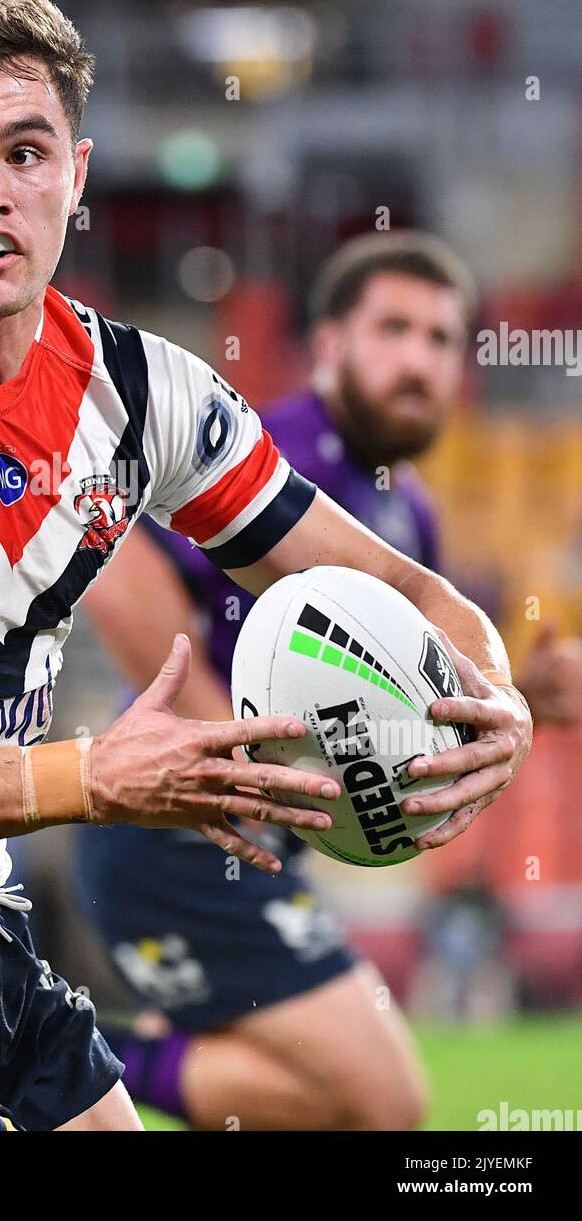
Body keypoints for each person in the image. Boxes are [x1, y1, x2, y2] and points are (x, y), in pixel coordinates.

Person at [0, 0, 532, 1132]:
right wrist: (89, 778)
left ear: (73, 178)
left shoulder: (142, 393)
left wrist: (493, 693)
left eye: (23, 152)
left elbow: (393, 585)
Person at [75, 232, 579, 1130]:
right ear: (329, 344)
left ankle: (60, 1060)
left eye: (439, 339)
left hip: (255, 847)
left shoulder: (407, 510)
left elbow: (400, 694)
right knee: (384, 1104)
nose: (418, 359)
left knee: (311, 1103)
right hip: (179, 836)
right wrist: (221, 766)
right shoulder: (274, 451)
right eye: (392, 328)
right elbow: (123, 569)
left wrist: (518, 702)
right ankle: (38, 1054)